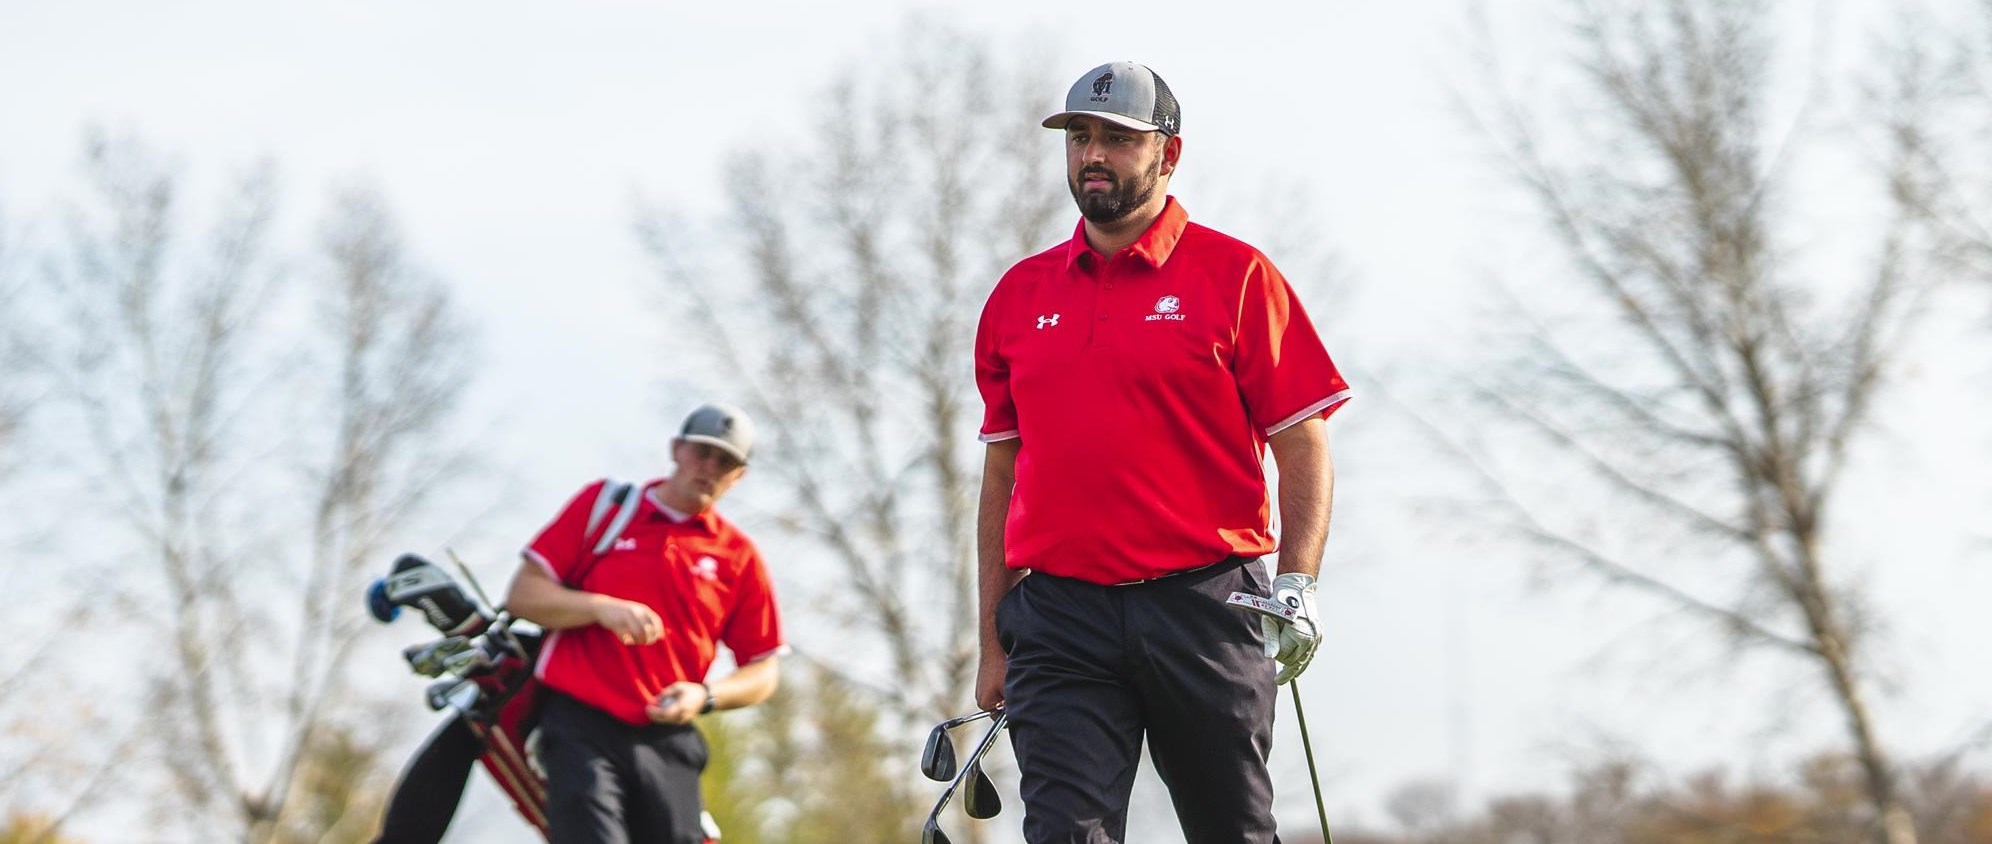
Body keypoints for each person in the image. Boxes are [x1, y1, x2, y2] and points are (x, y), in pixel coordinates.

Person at [972, 61, 1351, 843]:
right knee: (1062, 834)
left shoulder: (1237, 275)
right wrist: (990, 641)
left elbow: (1302, 443)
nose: (1092, 155)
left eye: (1117, 138)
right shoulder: (1020, 294)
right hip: (1060, 615)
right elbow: (1001, 477)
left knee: (1231, 831)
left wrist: (1299, 583)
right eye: (1079, 136)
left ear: (1167, 155)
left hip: (1206, 607)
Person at [504, 402, 786, 844]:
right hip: (580, 722)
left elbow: (764, 669)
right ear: (676, 449)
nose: (709, 467)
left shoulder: (739, 555)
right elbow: (523, 596)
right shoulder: (606, 508)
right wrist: (600, 607)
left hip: (668, 738)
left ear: (740, 475)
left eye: (725, 461)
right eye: (702, 452)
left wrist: (706, 695)